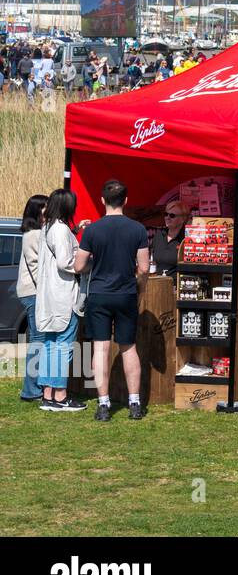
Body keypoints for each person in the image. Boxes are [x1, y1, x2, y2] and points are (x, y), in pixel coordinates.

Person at [75, 180, 150, 421]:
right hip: (126, 293)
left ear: (102, 200)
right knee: (128, 348)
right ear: (126, 201)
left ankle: (104, 404)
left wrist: (92, 265)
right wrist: (141, 287)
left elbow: (78, 265)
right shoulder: (137, 229)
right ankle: (135, 403)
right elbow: (144, 268)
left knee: (101, 348)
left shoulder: (93, 230)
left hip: (99, 294)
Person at [35, 188, 87, 412]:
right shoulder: (60, 229)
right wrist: (86, 263)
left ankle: (48, 395)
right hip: (63, 296)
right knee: (62, 346)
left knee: (50, 344)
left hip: (49, 295)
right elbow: (65, 262)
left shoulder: (47, 227)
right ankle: (60, 396)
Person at [16, 194, 48, 403]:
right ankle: (30, 390)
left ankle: (35, 386)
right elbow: (36, 267)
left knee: (40, 340)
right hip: (33, 293)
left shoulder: (38, 233)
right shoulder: (33, 234)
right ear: (37, 211)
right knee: (38, 340)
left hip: (33, 292)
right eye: (46, 208)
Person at [150, 201, 190, 275]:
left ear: (182, 219)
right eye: (166, 214)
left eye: (172, 215)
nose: (167, 218)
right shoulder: (159, 234)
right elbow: (152, 260)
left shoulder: (187, 238)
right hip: (158, 282)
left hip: (177, 283)